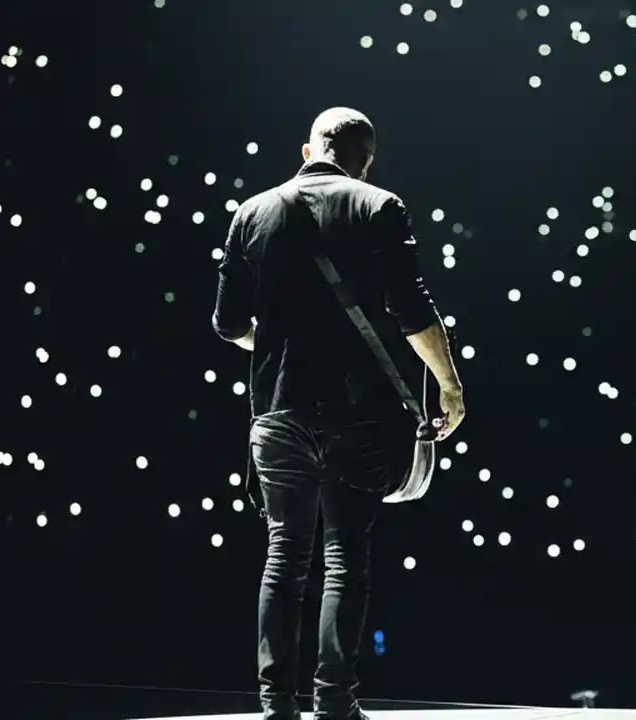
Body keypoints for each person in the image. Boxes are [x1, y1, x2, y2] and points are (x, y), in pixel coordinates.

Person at [211, 106, 465, 720]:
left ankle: (276, 706)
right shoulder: (379, 206)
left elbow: (227, 324)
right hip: (359, 413)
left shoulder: (251, 212)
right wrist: (449, 386)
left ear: (308, 151)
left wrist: (277, 342)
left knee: (284, 554)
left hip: (278, 408)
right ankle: (335, 704)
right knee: (345, 558)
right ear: (364, 162)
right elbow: (410, 306)